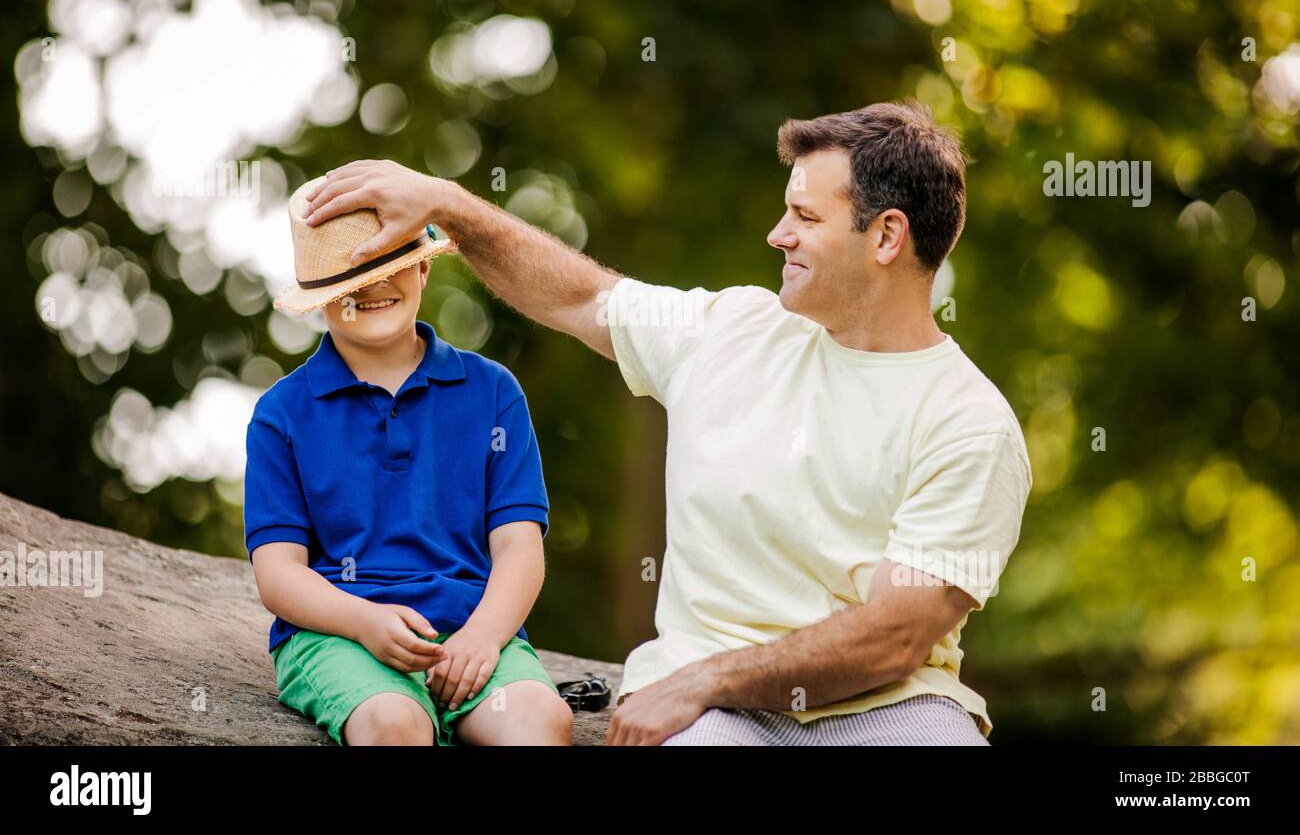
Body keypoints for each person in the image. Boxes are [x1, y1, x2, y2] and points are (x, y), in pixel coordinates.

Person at [303, 99, 1032, 745]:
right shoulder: (732, 328)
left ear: (886, 237)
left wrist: (704, 679)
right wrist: (451, 207)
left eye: (806, 218)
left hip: (891, 711)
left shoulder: (970, 425)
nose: (778, 236)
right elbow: (578, 298)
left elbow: (894, 638)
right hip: (714, 724)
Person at [242, 178, 573, 745]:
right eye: (348, 277)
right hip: (340, 636)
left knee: (542, 722)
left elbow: (520, 546)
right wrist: (365, 621)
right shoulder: (282, 413)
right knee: (395, 723)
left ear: (422, 267)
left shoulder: (493, 391)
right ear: (320, 295)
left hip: (474, 631)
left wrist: (484, 637)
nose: (371, 288)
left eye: (389, 263)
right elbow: (277, 573)